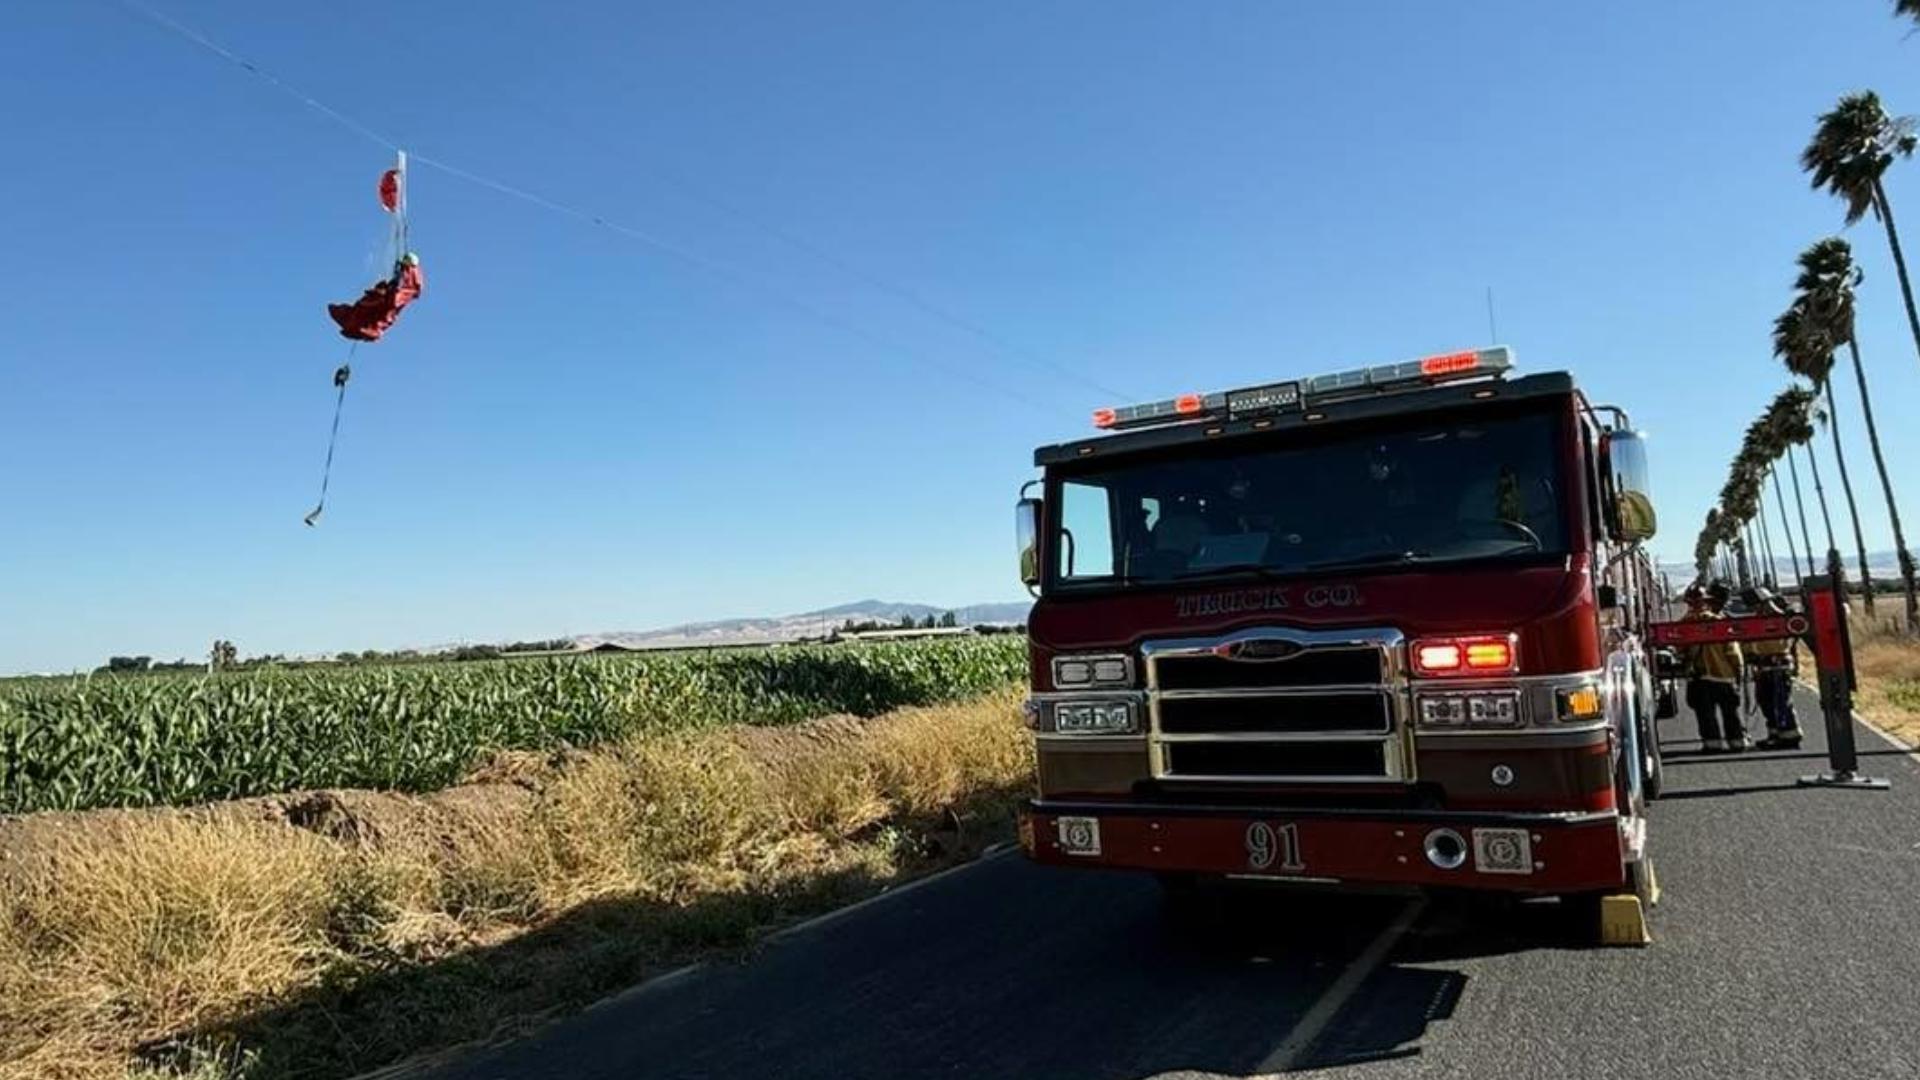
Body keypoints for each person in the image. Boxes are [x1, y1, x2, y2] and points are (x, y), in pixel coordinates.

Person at [1682, 580, 1747, 752]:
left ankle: (1712, 744)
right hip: (1724, 677)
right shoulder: (1720, 623)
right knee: (1730, 713)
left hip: (1700, 679)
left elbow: (1679, 650)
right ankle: (1737, 742)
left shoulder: (1683, 624)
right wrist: (1739, 673)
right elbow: (1733, 652)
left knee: (1705, 715)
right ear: (1707, 602)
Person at [1744, 586, 1804, 750]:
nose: (1756, 609)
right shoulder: (1756, 620)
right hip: (1764, 667)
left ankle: (1790, 736)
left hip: (1778, 666)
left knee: (1781, 702)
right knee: (1767, 703)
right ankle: (1775, 735)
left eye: (1757, 605)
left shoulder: (1781, 618)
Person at [329, 253, 425, 342]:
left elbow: (401, 291)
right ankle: (369, 327)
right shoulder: (409, 275)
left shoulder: (411, 276)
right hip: (385, 302)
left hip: (390, 300)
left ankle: (370, 327)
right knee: (381, 309)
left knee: (384, 308)